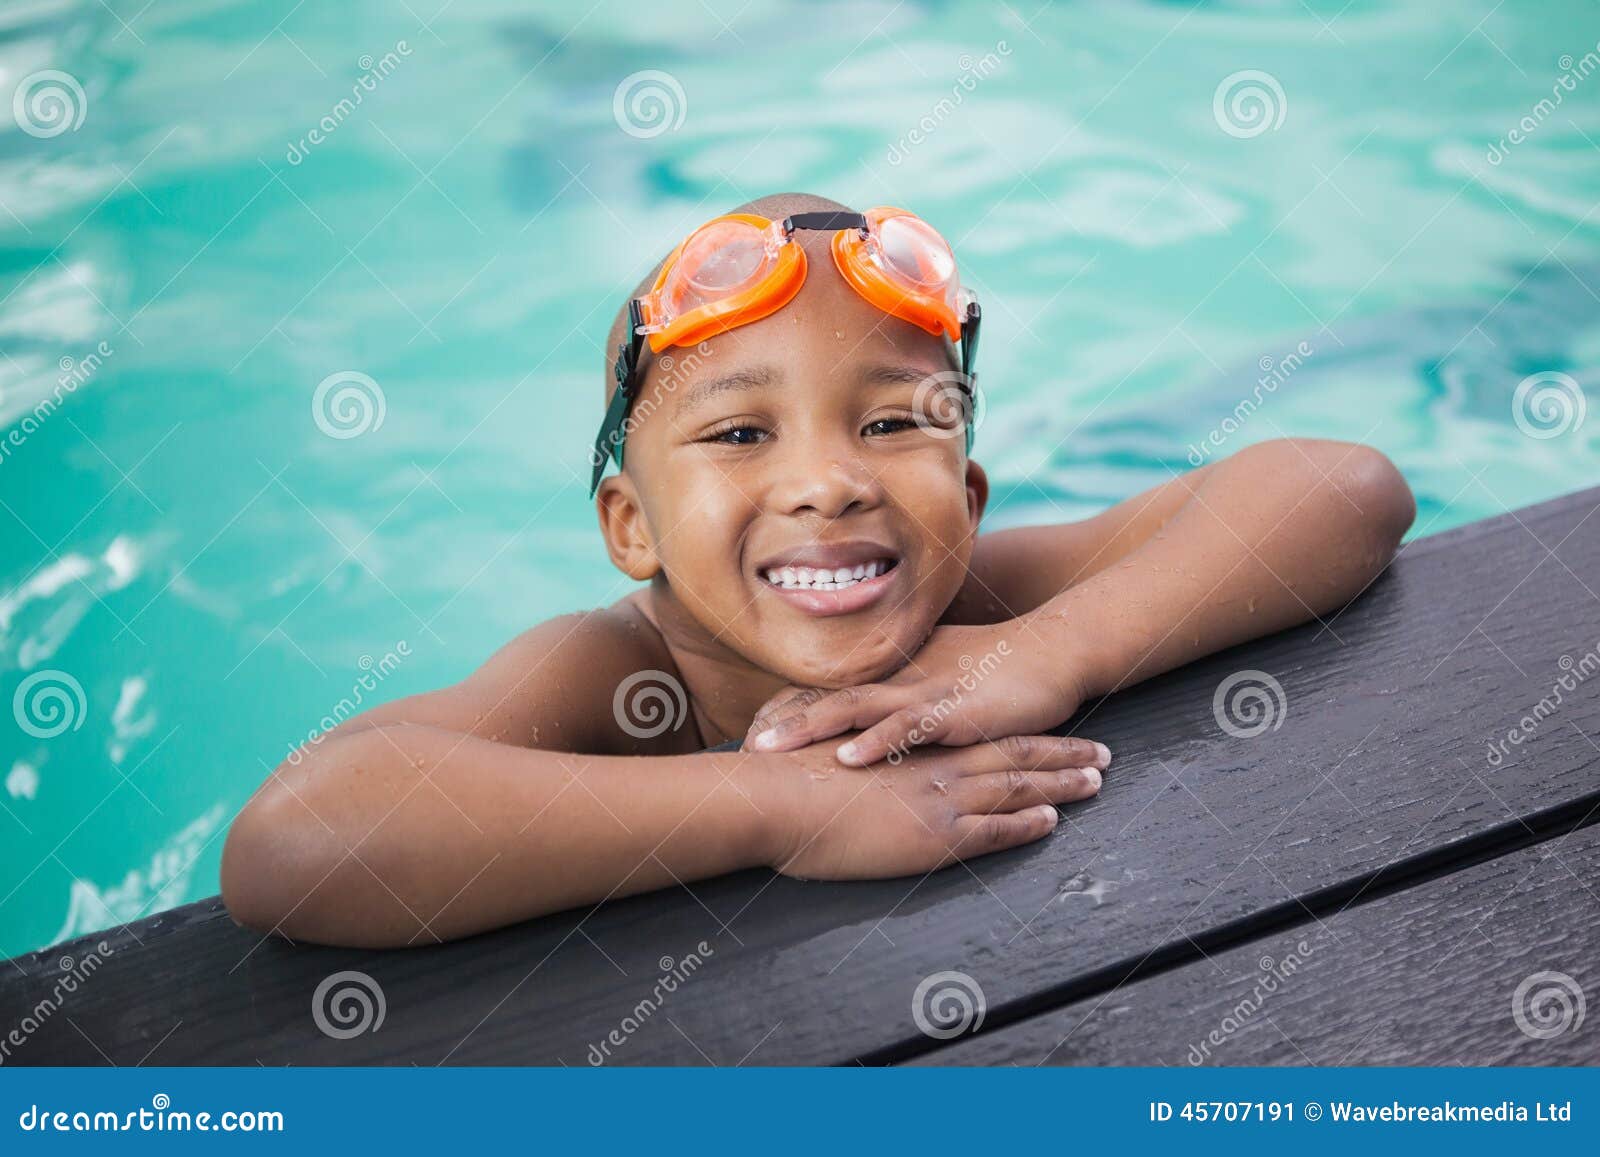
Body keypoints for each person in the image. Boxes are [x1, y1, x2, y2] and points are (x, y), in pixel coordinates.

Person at [222, 192, 1415, 947]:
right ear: (631, 528)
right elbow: (296, 838)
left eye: (894, 425)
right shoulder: (617, 676)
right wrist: (777, 806)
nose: (829, 482)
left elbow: (1342, 485)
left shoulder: (992, 602)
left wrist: (1051, 650)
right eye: (742, 435)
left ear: (969, 495)